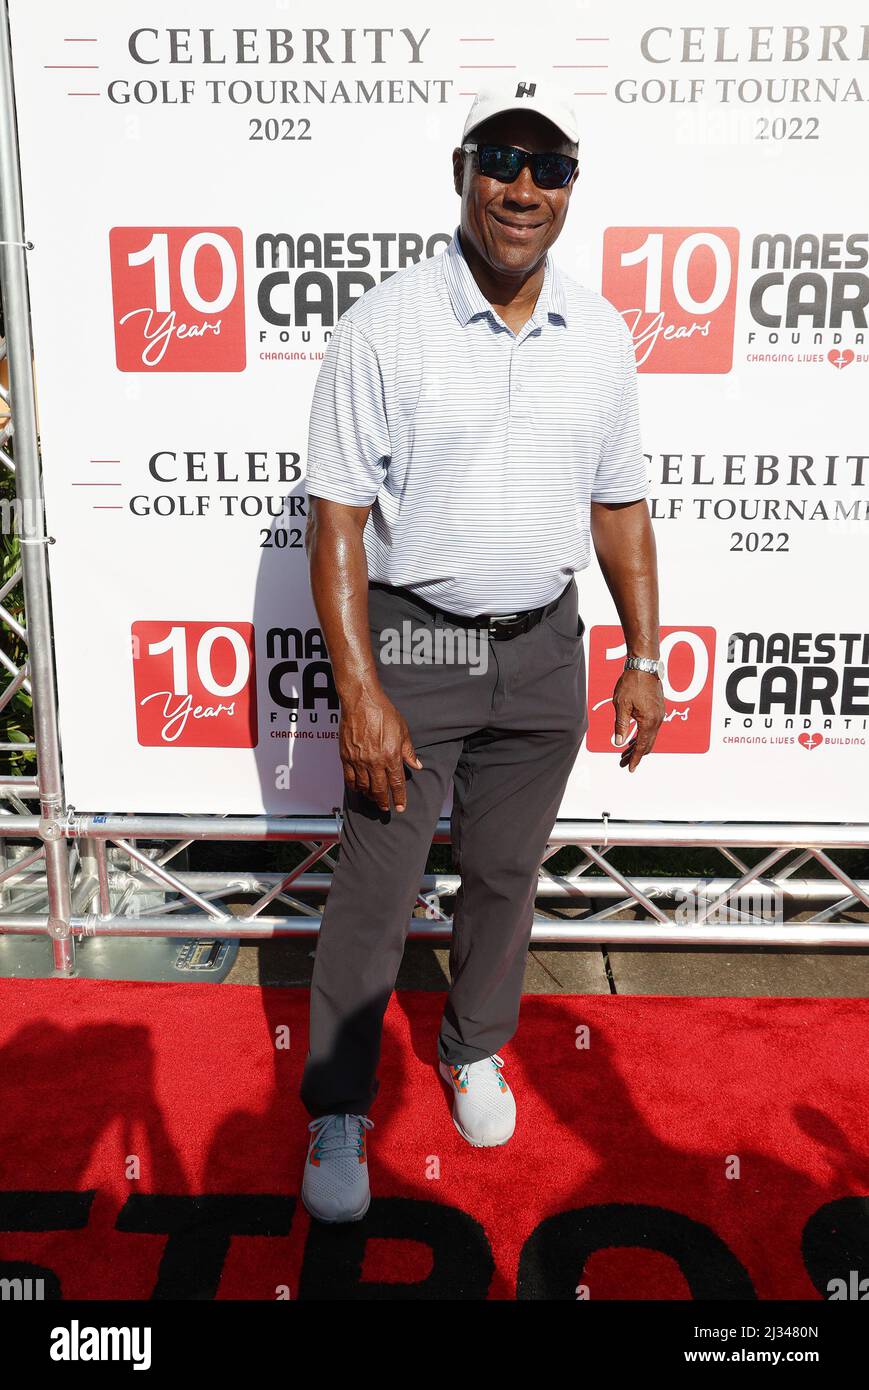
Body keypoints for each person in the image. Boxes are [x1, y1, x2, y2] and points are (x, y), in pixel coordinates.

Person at [299, 80, 665, 1222]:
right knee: (377, 884)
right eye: (501, 159)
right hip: (413, 639)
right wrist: (359, 689)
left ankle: (470, 1048)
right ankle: (338, 1104)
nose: (522, 187)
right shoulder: (383, 325)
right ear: (461, 168)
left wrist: (642, 656)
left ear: (570, 187)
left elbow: (618, 505)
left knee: (506, 874)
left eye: (547, 166)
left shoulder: (601, 334)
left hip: (544, 644)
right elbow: (337, 516)